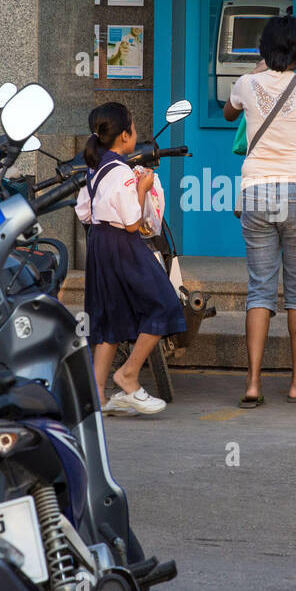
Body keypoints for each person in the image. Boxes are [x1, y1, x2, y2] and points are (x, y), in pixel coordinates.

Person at [224, 15, 296, 408]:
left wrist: (258, 71)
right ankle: (295, 383)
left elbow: (229, 113)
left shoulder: (246, 83)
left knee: (259, 288)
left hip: (257, 189)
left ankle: (253, 383)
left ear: (263, 47)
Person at [74, 102, 186, 416]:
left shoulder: (94, 169)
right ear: (125, 136)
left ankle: (96, 393)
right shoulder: (123, 172)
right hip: (123, 244)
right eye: (133, 127)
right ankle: (128, 375)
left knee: (110, 316)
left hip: (99, 243)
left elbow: (83, 210)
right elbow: (133, 223)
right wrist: (142, 188)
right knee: (165, 304)